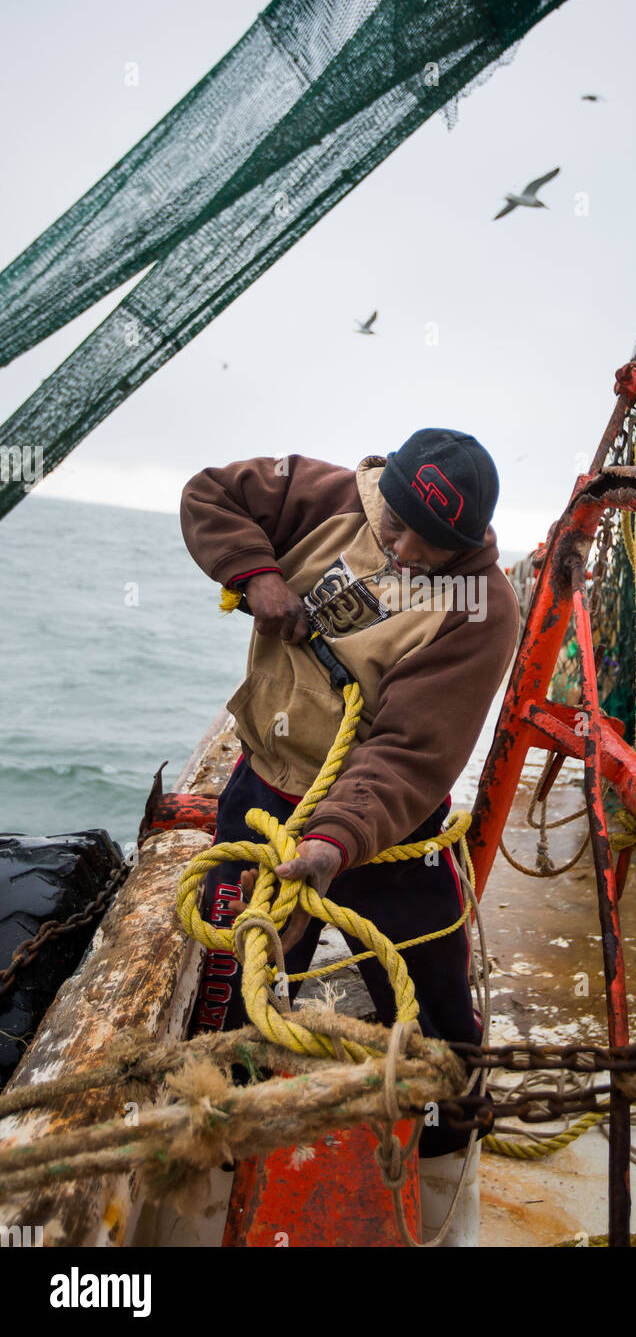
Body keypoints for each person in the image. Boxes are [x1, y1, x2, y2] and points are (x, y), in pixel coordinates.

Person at [180, 427, 519, 1242]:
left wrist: (334, 842)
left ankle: (448, 1156)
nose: (406, 554)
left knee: (438, 999)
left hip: (384, 830)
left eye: (432, 549)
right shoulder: (325, 494)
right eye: (396, 530)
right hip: (264, 793)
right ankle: (216, 1165)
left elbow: (409, 753)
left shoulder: (483, 611)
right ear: (382, 495)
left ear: (467, 546)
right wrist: (256, 574)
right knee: (240, 981)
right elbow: (208, 493)